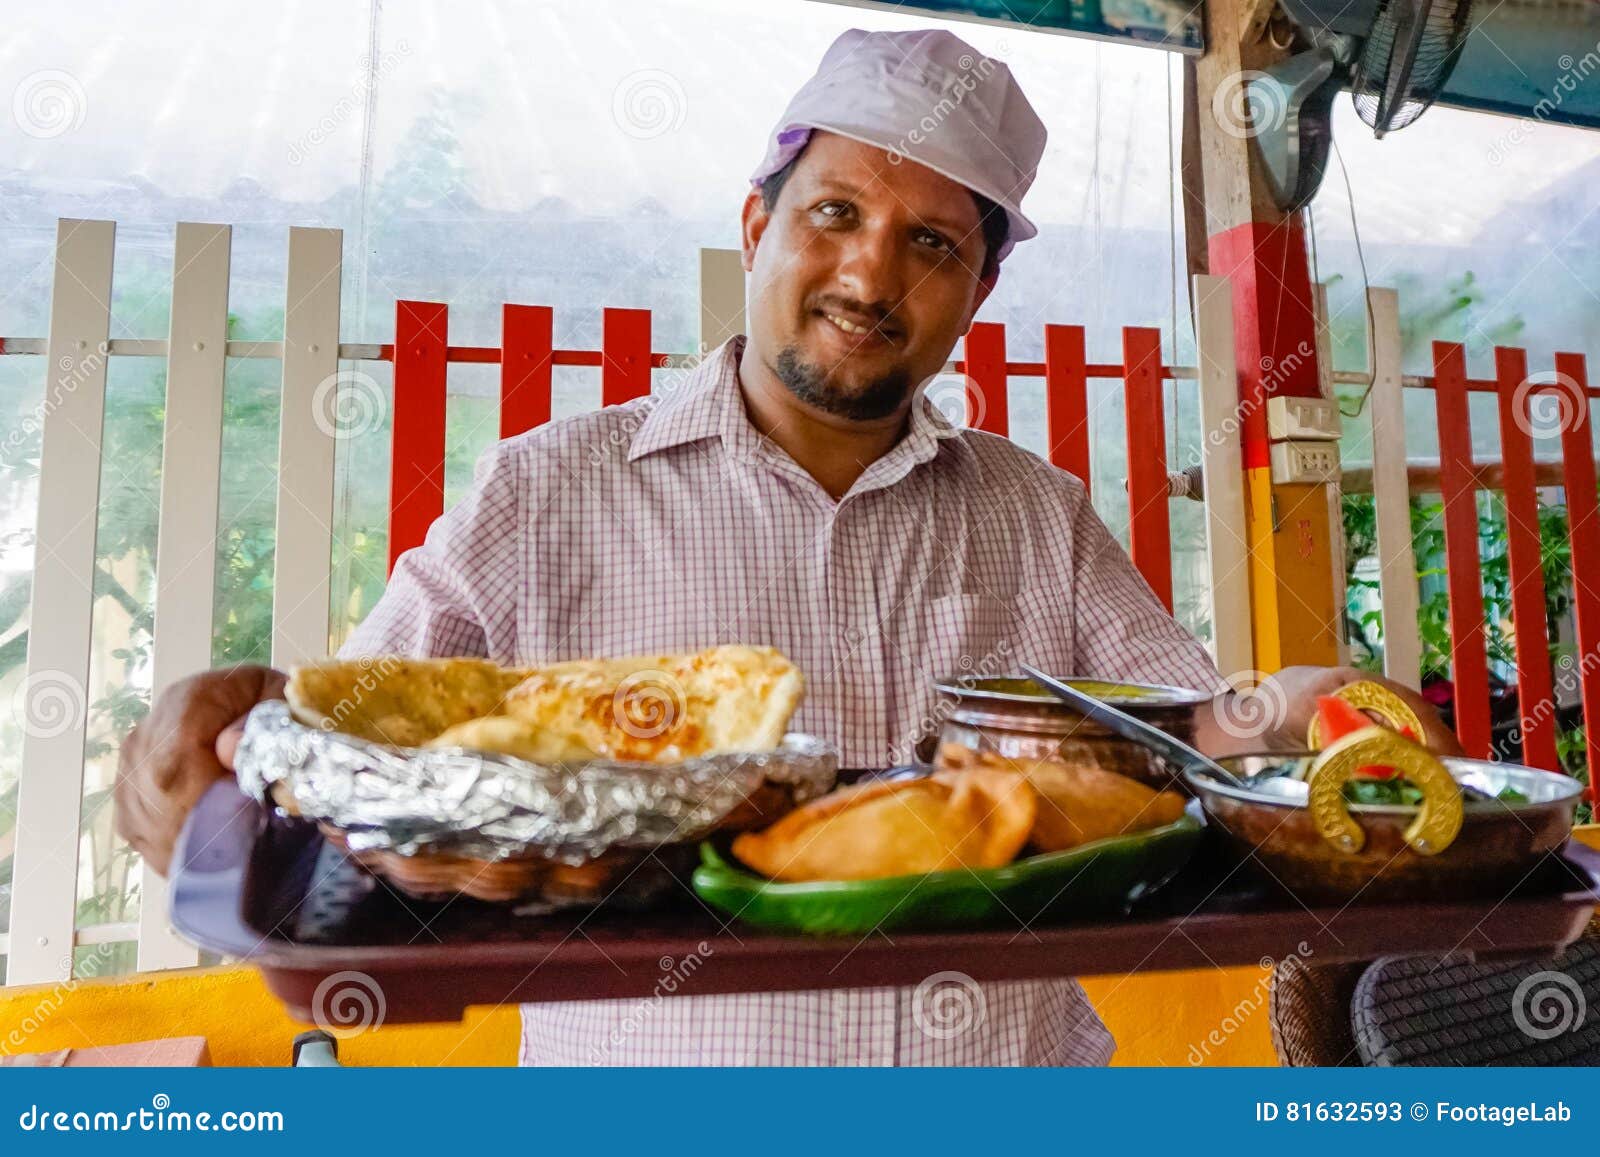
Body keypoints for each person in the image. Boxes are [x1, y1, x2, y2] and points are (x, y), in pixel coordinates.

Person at [116, 27, 1457, 1066]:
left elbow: (1197, 723)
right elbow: (351, 765)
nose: (873, 278)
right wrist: (214, 753)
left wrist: (1312, 708)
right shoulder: (547, 495)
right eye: (836, 215)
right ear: (758, 224)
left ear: (979, 293)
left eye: (932, 241)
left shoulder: (1035, 513)